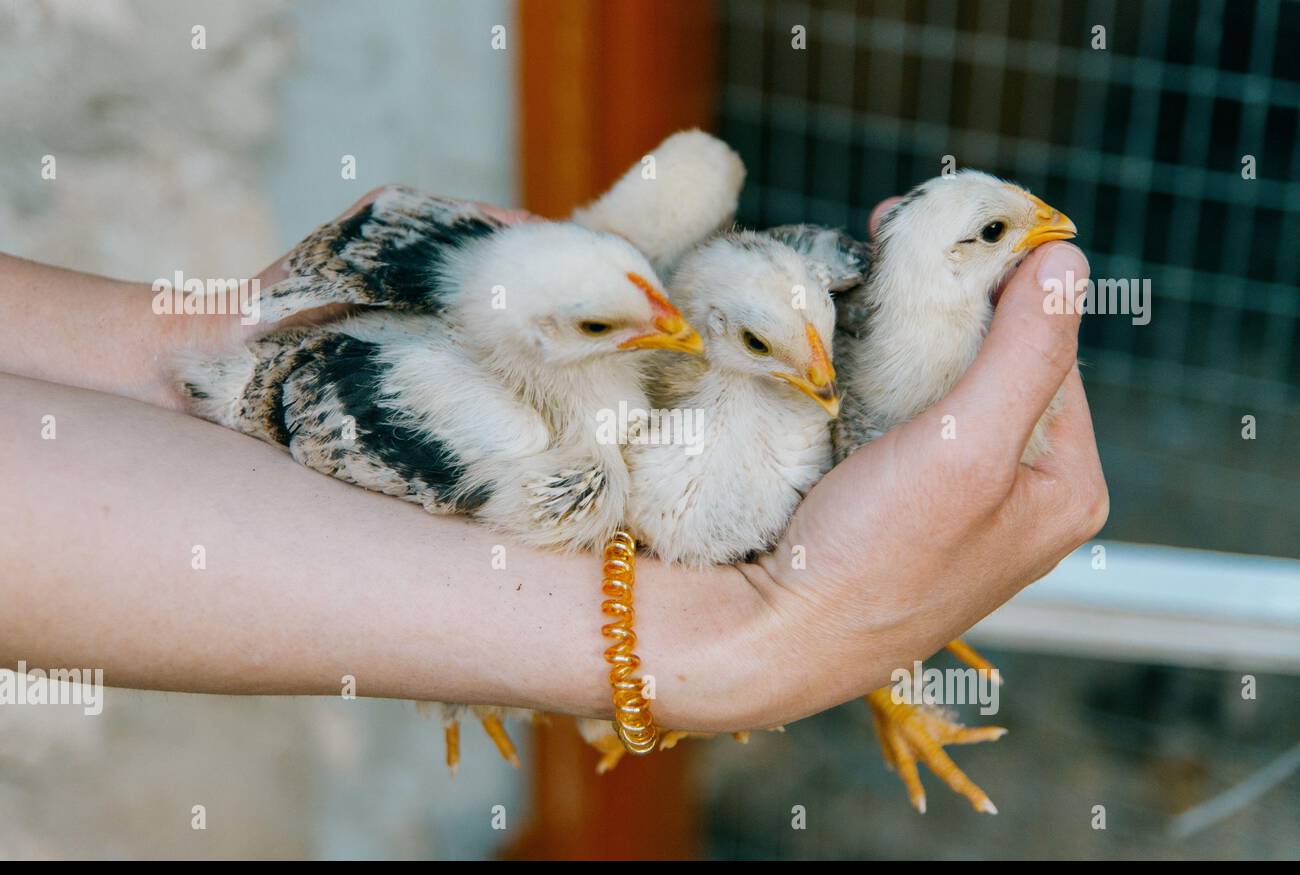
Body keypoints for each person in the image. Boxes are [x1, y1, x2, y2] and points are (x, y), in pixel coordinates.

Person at [0, 191, 1106, 733]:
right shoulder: (544, 451)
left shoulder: (779, 330)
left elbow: (187, 371)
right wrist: (738, 637)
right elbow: (213, 385)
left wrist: (209, 332)